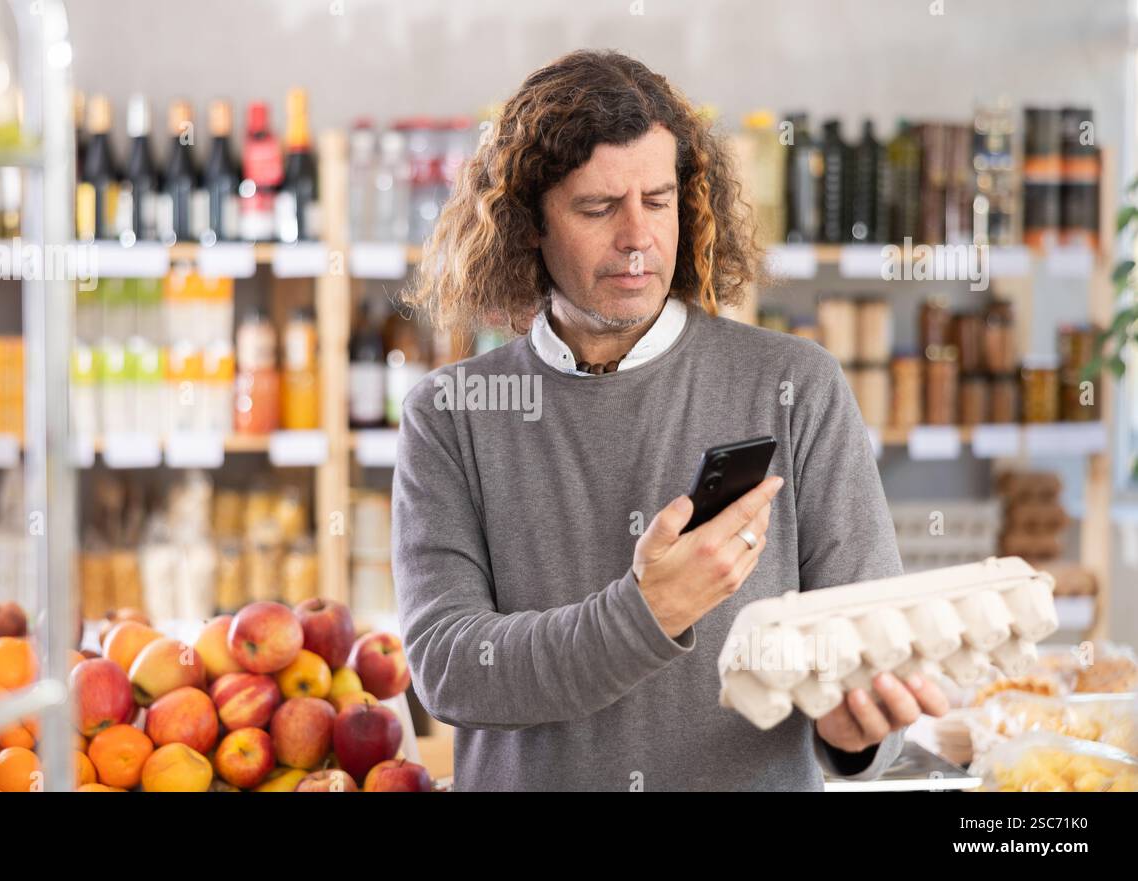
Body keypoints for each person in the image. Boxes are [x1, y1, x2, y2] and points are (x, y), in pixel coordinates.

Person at [391, 49, 947, 791]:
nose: (637, 237)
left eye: (658, 201)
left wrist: (855, 732)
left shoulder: (794, 385)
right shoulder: (450, 417)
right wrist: (644, 612)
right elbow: (449, 668)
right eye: (597, 208)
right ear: (528, 224)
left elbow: (868, 654)